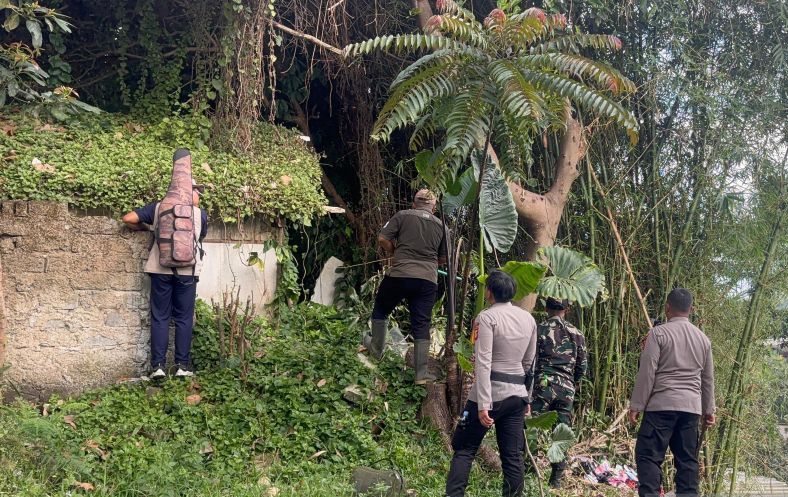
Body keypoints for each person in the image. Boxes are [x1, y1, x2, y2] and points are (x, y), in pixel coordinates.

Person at [445, 270, 537, 497]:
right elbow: (529, 362)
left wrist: (484, 403)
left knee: (464, 448)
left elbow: (483, 362)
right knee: (513, 457)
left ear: (489, 292)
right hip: (517, 395)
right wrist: (527, 397)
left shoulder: (486, 318)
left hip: (488, 394)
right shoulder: (529, 319)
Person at [629, 288, 715, 497]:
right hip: (690, 410)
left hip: (661, 406)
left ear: (667, 308)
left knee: (648, 456)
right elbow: (707, 379)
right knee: (687, 462)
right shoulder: (703, 339)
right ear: (691, 309)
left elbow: (647, 372)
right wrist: (709, 410)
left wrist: (637, 405)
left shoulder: (658, 333)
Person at [121, 181, 208, 379]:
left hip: (160, 269)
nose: (199, 196)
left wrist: (148, 229)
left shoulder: (158, 207)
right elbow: (201, 236)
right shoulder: (200, 214)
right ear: (188, 192)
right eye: (197, 191)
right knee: (184, 319)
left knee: (160, 317)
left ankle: (158, 367)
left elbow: (128, 218)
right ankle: (182, 367)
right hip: (187, 271)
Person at [363, 188, 447, 384]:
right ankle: (421, 374)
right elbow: (443, 259)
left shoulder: (402, 216)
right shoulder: (443, 227)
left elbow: (383, 239)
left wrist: (395, 252)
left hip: (400, 275)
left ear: (414, 203)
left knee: (382, 309)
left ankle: (376, 351)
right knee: (422, 323)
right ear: (433, 208)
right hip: (427, 281)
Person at [527, 297, 588, 488]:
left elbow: (530, 360)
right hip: (567, 389)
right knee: (562, 431)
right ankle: (557, 478)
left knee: (532, 426)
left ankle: (529, 471)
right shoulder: (577, 333)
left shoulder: (539, 329)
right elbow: (582, 367)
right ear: (567, 309)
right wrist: (571, 381)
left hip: (543, 384)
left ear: (546, 307)